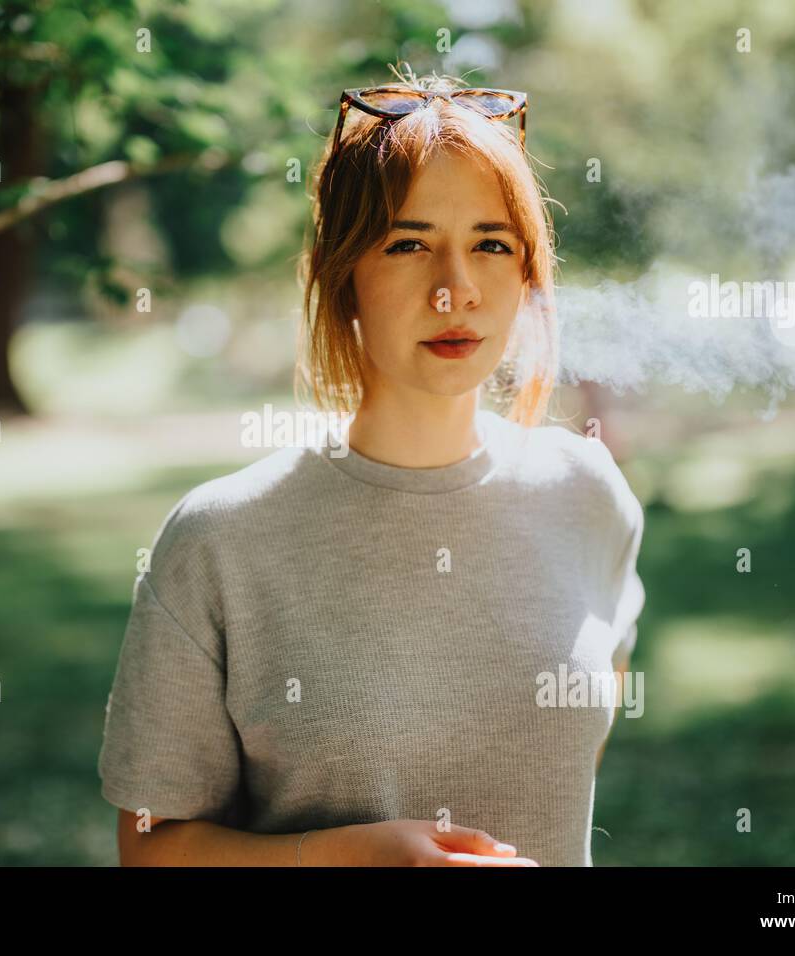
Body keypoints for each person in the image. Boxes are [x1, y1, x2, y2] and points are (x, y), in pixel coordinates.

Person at [97, 69, 646, 866]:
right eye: (408, 244)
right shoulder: (219, 541)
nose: (456, 291)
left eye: (491, 244)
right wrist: (345, 857)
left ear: (528, 273)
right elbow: (150, 849)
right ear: (341, 273)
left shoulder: (590, 496)